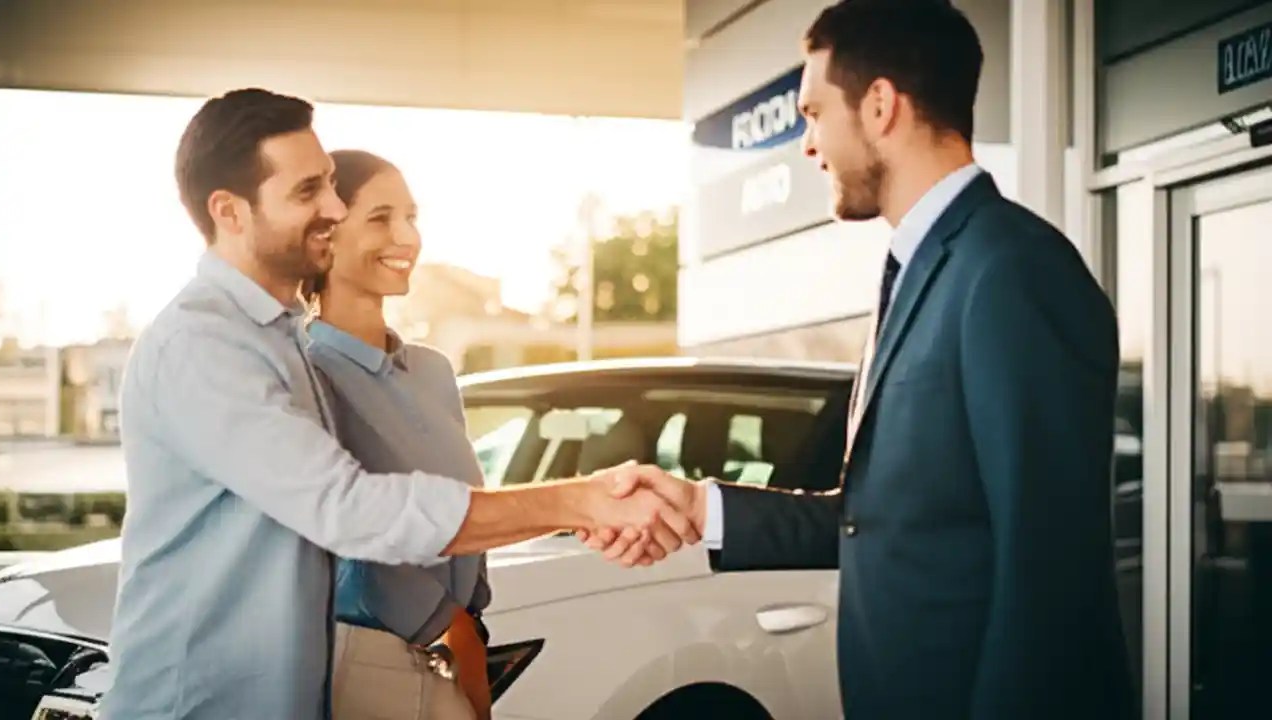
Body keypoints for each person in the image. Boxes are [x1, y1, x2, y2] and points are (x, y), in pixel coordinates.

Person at [580, 2, 1135, 718]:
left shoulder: (1012, 271)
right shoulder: (920, 270)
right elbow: (880, 519)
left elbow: (1049, 568)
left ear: (879, 106)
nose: (807, 144)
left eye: (813, 113)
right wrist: (701, 507)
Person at [105, 88, 697, 719]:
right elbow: (351, 510)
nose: (333, 208)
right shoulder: (203, 345)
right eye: (308, 193)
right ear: (229, 211)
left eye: (331, 185)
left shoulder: (275, 339)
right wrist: (577, 501)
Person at [302, 149, 490, 720]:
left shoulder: (433, 372)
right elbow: (346, 529)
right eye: (380, 218)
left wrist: (473, 624)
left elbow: (465, 509)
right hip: (359, 656)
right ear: (326, 237)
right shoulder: (306, 373)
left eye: (411, 216)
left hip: (458, 647)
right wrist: (449, 625)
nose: (406, 236)